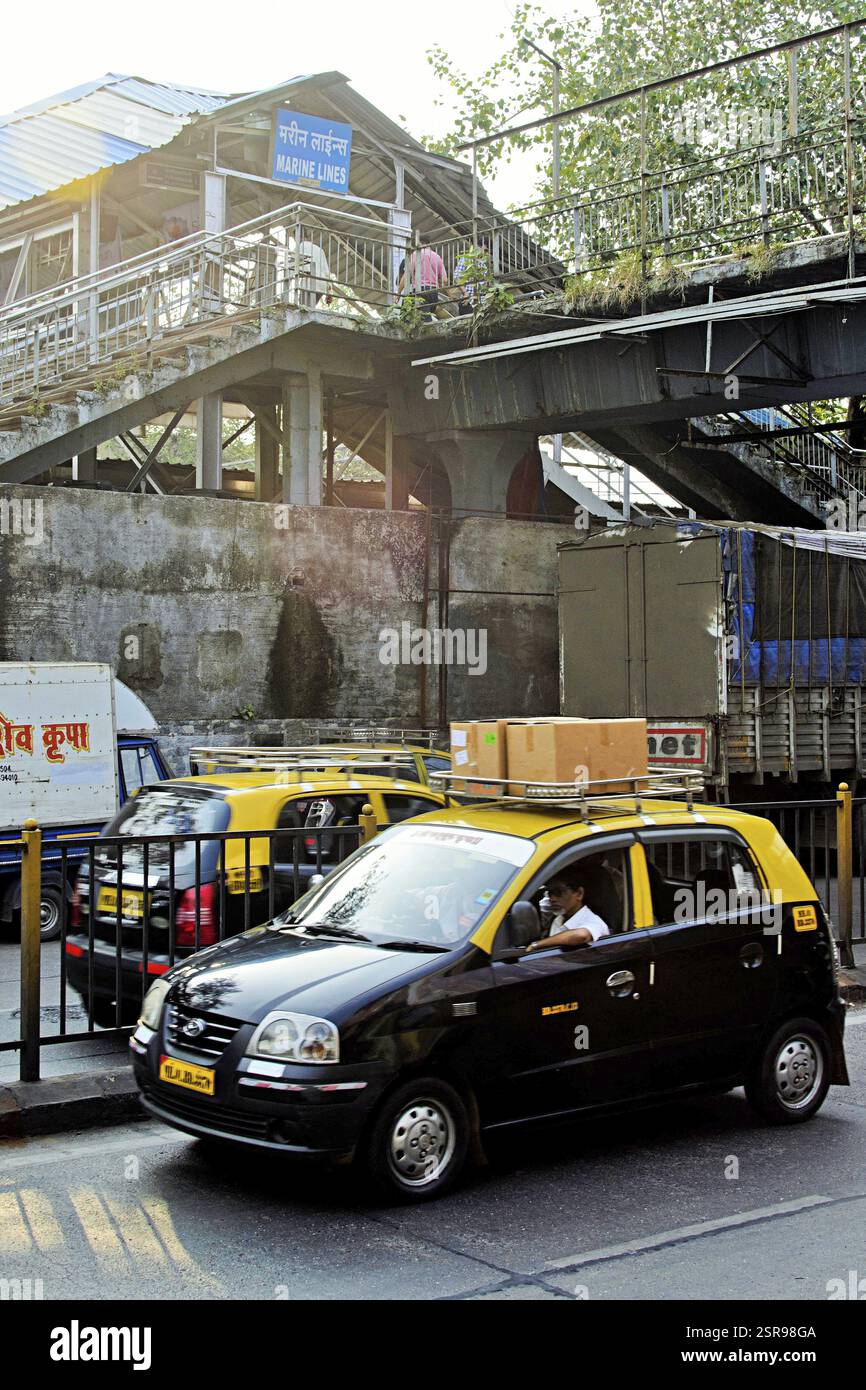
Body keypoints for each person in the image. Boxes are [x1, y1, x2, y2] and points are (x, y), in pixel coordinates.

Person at [526, 865, 609, 952]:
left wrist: (537, 944)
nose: (552, 899)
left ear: (579, 894)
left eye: (559, 892)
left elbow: (581, 936)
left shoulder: (594, 921)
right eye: (550, 893)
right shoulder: (557, 919)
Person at [397, 239, 448, 315]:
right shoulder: (437, 257)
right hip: (434, 293)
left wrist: (398, 294)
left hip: (420, 290)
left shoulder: (416, 254)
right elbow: (445, 280)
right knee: (425, 316)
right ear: (429, 244)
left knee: (407, 315)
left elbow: (407, 276)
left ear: (418, 244)